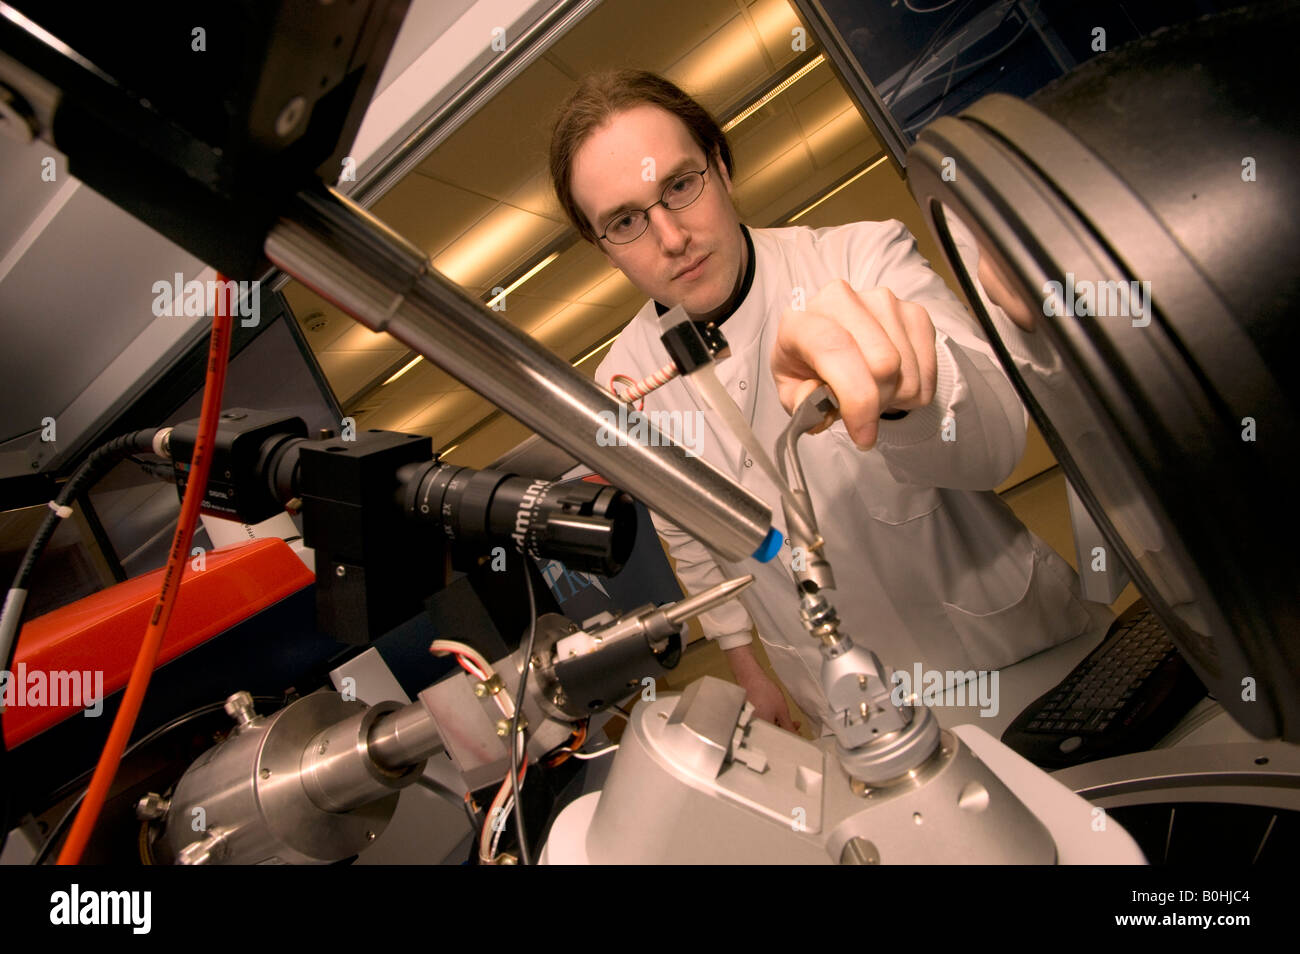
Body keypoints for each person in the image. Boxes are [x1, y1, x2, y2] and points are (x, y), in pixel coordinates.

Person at [548, 70, 1110, 735]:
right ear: (601, 246)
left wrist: (905, 398)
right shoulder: (625, 376)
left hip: (1010, 656)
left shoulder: (862, 256)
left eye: (678, 185)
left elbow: (994, 446)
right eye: (625, 222)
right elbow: (684, 528)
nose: (670, 238)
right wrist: (744, 660)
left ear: (721, 167)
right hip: (840, 704)